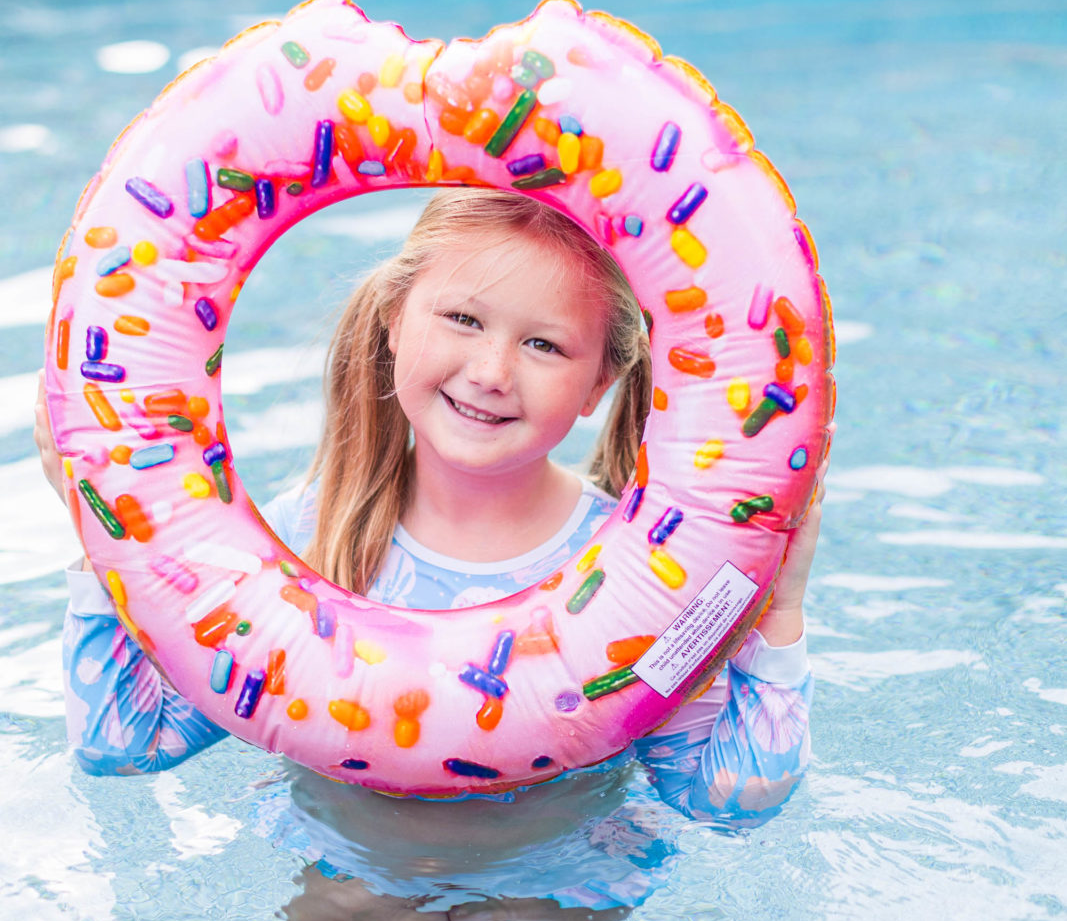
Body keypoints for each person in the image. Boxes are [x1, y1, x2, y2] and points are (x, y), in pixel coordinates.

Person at [36, 188, 822, 818]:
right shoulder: (303, 541)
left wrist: (778, 610)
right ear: (392, 320)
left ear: (598, 385)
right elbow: (125, 744)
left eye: (543, 345)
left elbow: (729, 799)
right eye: (463, 320)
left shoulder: (634, 574)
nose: (490, 371)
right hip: (351, 878)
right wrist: (104, 529)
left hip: (561, 889)